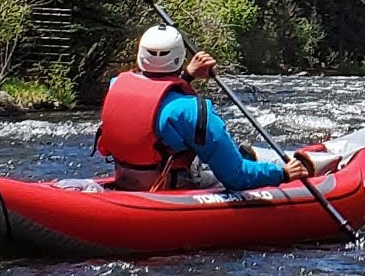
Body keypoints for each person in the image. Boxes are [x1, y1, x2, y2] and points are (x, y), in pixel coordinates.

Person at [94, 24, 309, 192]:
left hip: (126, 179)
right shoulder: (193, 111)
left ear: (141, 56)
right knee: (243, 165)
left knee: (237, 156)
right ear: (179, 57)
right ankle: (273, 160)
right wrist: (282, 174)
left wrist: (187, 76)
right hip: (168, 187)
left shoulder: (116, 87)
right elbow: (236, 177)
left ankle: (252, 155)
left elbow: (157, 100)